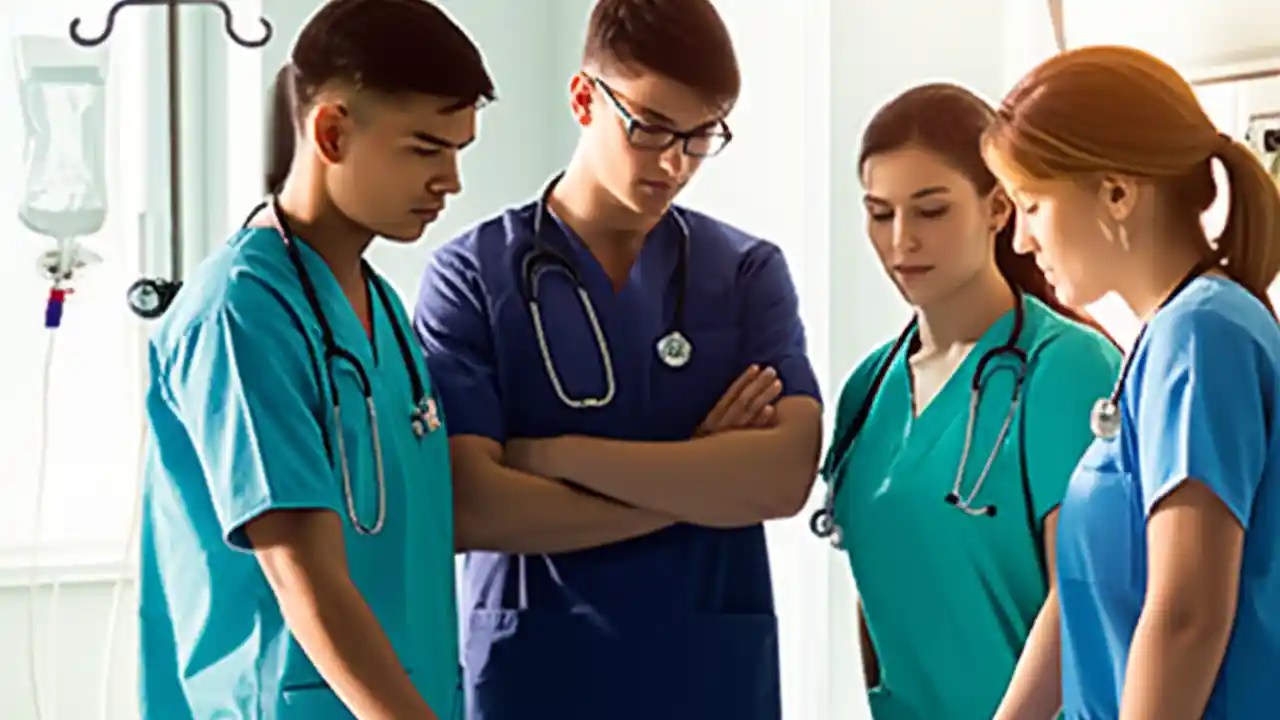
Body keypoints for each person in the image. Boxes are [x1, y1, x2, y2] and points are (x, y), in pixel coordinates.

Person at [412, 1, 823, 718]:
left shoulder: (746, 273)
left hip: (708, 680)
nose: (675, 163)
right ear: (583, 98)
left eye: (701, 137)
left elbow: (782, 478)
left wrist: (550, 455)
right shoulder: (472, 277)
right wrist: (698, 479)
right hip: (536, 678)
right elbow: (473, 506)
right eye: (652, 128)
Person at [136, 1, 494, 718]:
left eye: (459, 150)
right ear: (331, 131)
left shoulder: (383, 309)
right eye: (426, 148)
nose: (450, 181)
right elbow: (302, 574)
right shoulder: (240, 313)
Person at [982, 45, 1280, 720]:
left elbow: (1187, 615)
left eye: (1031, 205)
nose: (1022, 241)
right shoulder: (1164, 341)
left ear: (1116, 192)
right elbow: (1079, 598)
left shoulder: (1205, 334)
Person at [814, 83, 1121, 720]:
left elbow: (1085, 599)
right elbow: (880, 607)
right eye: (880, 212)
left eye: (931, 210)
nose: (902, 241)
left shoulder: (1066, 368)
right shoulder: (868, 390)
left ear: (998, 208)